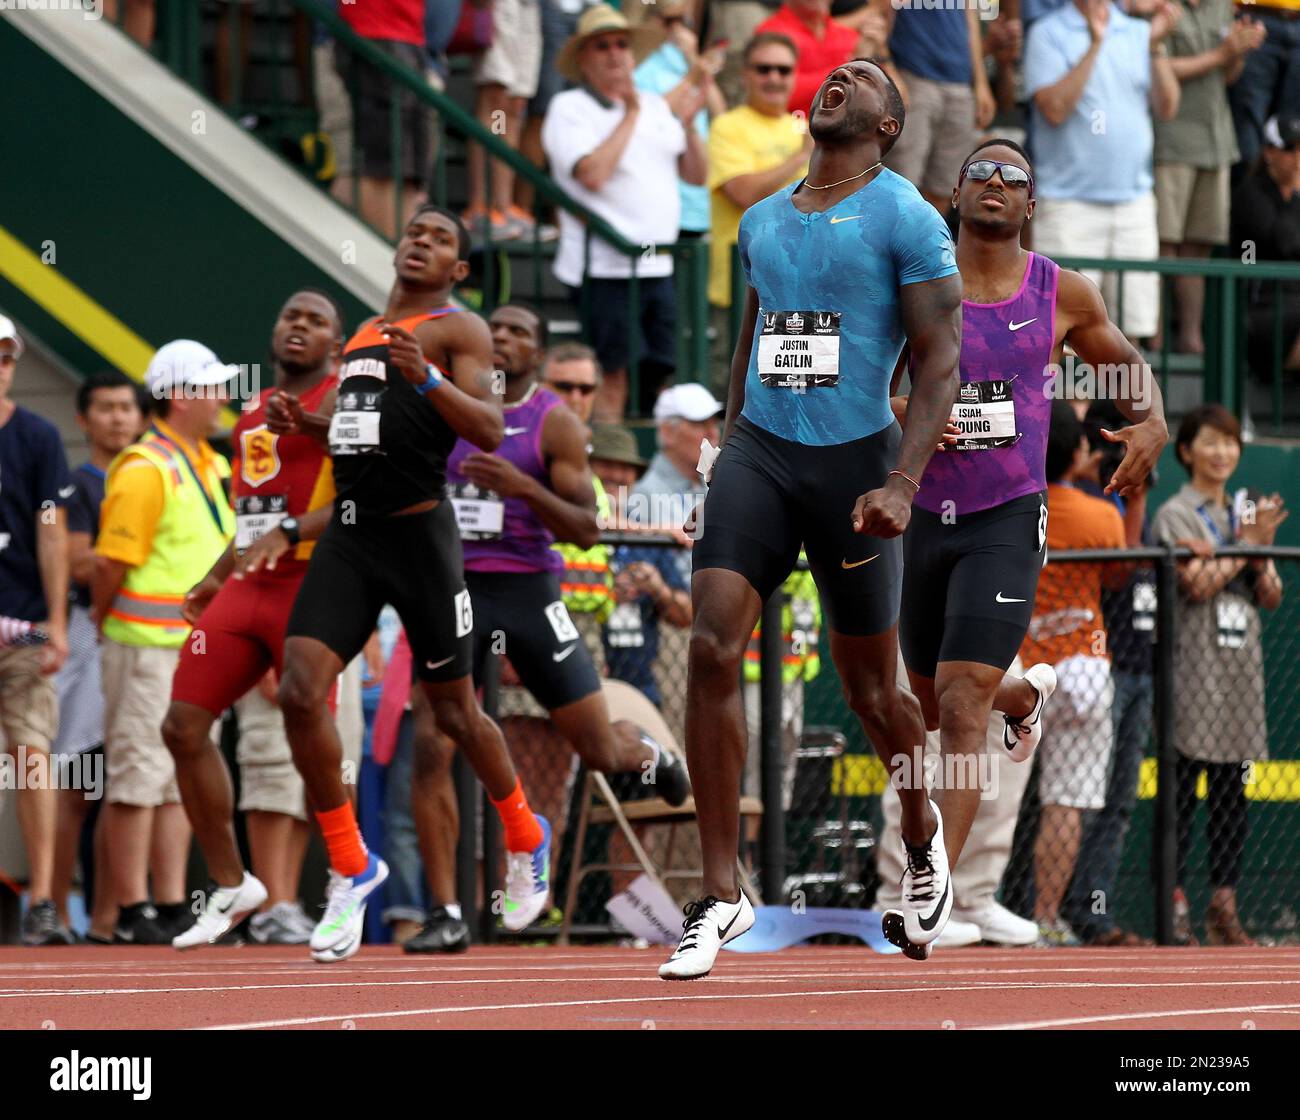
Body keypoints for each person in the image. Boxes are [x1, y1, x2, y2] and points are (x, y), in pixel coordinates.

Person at [658, 58, 964, 981]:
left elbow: (939, 360)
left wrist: (904, 484)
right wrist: (717, 461)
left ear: (887, 125)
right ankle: (720, 892)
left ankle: (921, 831)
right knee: (713, 645)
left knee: (875, 695)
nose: (839, 80)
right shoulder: (758, 220)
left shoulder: (908, 216)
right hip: (759, 448)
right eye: (833, 74)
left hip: (856, 465)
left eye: (862, 78)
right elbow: (750, 346)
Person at [888, 139, 1168, 955]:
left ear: (1032, 205)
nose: (999, 185)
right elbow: (868, 382)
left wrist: (1149, 422)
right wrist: (906, 405)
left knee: (960, 704)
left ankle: (929, 878)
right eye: (984, 173)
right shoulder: (913, 285)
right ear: (956, 193)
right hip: (916, 513)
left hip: (1006, 514)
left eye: (1016, 177)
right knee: (930, 701)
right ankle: (1025, 697)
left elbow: (1124, 368)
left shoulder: (1063, 292)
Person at [266, 205, 549, 961]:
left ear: (457, 270)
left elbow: (489, 429)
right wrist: (311, 425)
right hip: (353, 536)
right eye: (414, 233)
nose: (421, 242)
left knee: (455, 716)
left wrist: (427, 378)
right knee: (299, 688)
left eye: (441, 240)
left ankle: (525, 834)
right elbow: (364, 433)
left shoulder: (462, 331)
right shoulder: (360, 333)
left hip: (422, 538)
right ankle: (352, 867)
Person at [402, 305, 690, 954]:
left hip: (529, 593)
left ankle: (652, 755)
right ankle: (445, 910)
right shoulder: (441, 406)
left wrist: (520, 488)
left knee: (598, 750)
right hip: (456, 590)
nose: (501, 340)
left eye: (518, 333)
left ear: (536, 358)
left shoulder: (551, 423)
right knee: (431, 742)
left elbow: (586, 528)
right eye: (493, 330)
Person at [158, 290, 342, 949]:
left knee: (306, 738)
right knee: (181, 726)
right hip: (250, 579)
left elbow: (362, 502)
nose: (299, 325)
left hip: (315, 583)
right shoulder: (251, 414)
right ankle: (234, 882)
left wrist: (293, 531)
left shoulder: (342, 402)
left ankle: (348, 871)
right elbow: (253, 517)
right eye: (291, 314)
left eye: (316, 320)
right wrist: (213, 577)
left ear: (336, 346)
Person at [92, 340, 238, 945]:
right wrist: (105, 627)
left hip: (195, 648)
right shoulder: (145, 468)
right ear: (181, 396)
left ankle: (173, 901)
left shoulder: (212, 463)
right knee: (137, 775)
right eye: (211, 387)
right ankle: (132, 907)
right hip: (147, 644)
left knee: (180, 780)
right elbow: (109, 566)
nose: (223, 397)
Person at [1152, 404, 1285, 946]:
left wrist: (1258, 552)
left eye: (1230, 442)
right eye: (1210, 442)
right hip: (1192, 668)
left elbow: (1272, 594)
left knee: (1234, 795)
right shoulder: (1176, 515)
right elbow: (1197, 585)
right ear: (1186, 452)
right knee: (1182, 796)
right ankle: (1175, 904)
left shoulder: (1245, 512)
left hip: (1240, 674)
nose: (1222, 452)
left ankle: (1224, 905)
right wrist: (1246, 545)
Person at [541, 4, 708, 420]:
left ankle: (643, 469)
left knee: (658, 374)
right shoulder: (569, 107)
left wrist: (688, 125)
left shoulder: (654, 104)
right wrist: (630, 113)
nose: (615, 54)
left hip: (656, 265)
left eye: (621, 45)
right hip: (604, 268)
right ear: (583, 60)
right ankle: (607, 471)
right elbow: (592, 174)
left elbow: (696, 175)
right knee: (611, 377)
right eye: (602, 47)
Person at [1017, 403, 1131, 944]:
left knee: (985, 789)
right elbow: (1119, 575)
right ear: (1080, 451)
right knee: (1065, 801)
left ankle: (965, 907)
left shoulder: (1010, 506)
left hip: (1017, 667)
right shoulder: (1100, 513)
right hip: (1084, 666)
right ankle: (1045, 919)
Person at [1024, 0, 1182, 343]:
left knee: (1132, 333)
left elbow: (1168, 107)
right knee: (1064, 332)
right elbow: (1053, 109)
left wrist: (1154, 46)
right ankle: (1072, 401)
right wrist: (1096, 44)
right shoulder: (1047, 32)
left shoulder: (1140, 33)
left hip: (1134, 204)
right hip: (1068, 204)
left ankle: (1118, 401)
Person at [51, 370, 145, 944]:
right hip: (89, 631)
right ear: (84, 419)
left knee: (131, 783)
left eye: (126, 408)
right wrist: (134, 548)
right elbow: (81, 565)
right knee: (78, 785)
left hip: (148, 633)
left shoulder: (152, 475)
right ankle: (55, 914)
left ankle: (112, 922)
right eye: (105, 408)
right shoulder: (77, 486)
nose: (117, 417)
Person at [0, 315, 72, 945]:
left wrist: (55, 622)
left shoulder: (39, 436)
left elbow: (51, 531)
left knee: (32, 759)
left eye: (4, 357)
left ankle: (44, 901)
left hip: (22, 626)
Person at [1155, 1, 1264, 354]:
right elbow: (1160, 67)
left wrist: (1239, 49)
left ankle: (1191, 336)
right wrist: (1221, 54)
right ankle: (1153, 338)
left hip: (1217, 140)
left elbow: (1229, 75)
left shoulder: (1222, 6)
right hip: (1171, 139)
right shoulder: (1157, 5)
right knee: (1163, 246)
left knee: (1198, 248)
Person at [707, 31, 811, 392]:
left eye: (783, 70)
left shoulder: (805, 128)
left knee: (793, 395)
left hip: (801, 288)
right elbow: (742, 193)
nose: (774, 78)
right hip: (740, 288)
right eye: (763, 68)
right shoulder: (727, 127)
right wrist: (800, 158)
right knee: (730, 396)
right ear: (744, 75)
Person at [596, 426, 693, 705]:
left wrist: (657, 587)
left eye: (625, 468)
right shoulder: (573, 529)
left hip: (641, 687)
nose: (616, 474)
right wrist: (609, 588)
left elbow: (685, 614)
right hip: (582, 675)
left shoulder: (648, 542)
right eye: (606, 464)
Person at [877, 2, 998, 213]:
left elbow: (969, 14)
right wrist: (888, 67)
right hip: (913, 75)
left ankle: (923, 245)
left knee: (945, 188)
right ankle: (891, 246)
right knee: (901, 182)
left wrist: (980, 82)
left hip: (959, 82)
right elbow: (880, 10)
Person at [337, 0, 431, 240]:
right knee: (382, 167)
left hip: (409, 37)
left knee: (408, 170)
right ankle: (382, 263)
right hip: (374, 33)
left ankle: (397, 254)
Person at [635, 2, 728, 243]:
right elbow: (653, 115)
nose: (677, 31)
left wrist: (692, 58)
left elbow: (721, 116)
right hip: (663, 201)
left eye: (683, 22)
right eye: (669, 21)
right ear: (650, 20)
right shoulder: (638, 63)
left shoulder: (684, 59)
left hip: (698, 201)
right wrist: (693, 73)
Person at [463, 0, 548, 241]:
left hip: (530, 7)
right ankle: (479, 206)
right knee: (495, 97)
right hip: (500, 6)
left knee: (515, 103)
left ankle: (502, 205)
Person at [1233, 114, 1300, 376]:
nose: (1296, 157)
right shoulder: (1250, 194)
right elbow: (1285, 242)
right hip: (1263, 311)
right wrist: (1295, 194)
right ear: (1269, 153)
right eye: (1289, 149)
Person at [754, 0, 865, 117]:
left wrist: (877, 55)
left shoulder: (849, 35)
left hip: (842, 127)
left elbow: (877, 89)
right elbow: (781, 91)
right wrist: (850, 69)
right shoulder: (771, 32)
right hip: (789, 128)